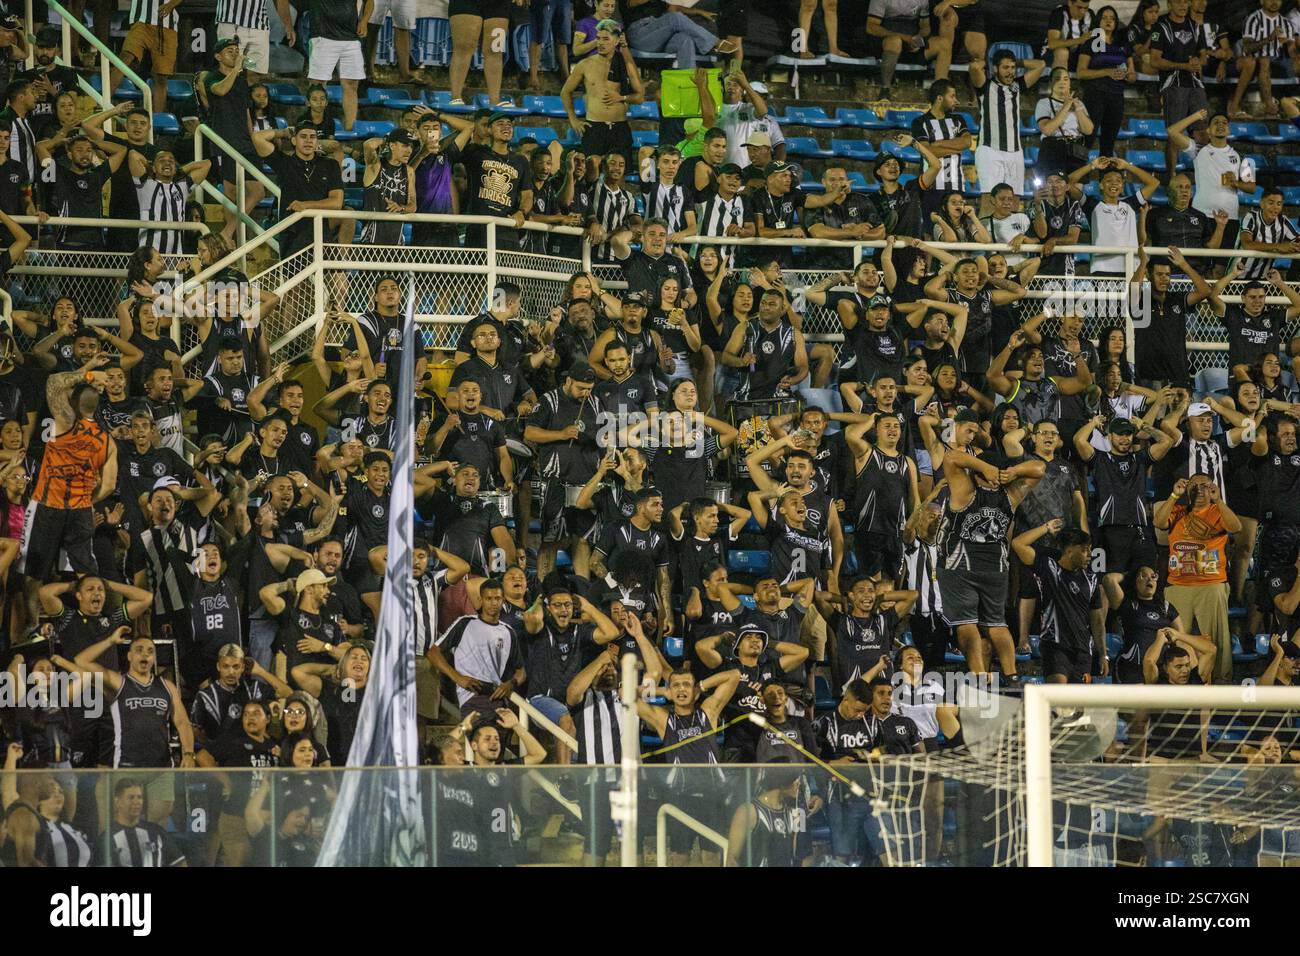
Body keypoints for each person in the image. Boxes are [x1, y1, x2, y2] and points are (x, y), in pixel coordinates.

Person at [636, 665, 739, 866]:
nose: (682, 690)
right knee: (679, 857)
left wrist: (701, 685)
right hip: (680, 798)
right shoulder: (664, 719)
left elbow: (734, 676)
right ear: (670, 691)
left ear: (695, 691)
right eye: (676, 686)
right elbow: (625, 695)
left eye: (686, 685)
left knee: (711, 857)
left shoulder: (708, 712)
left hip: (712, 796)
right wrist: (661, 691)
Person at [1155, 474, 1241, 681]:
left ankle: (1219, 682)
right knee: (1176, 640)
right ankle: (1177, 683)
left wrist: (1218, 500)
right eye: (1194, 486)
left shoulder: (1217, 511)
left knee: (1215, 638)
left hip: (1211, 585)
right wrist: (1175, 495)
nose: (1200, 490)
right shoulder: (1177, 511)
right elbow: (1158, 522)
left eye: (1205, 486)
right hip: (1177, 585)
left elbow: (1236, 527)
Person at [1012, 521, 1104, 683]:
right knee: (1058, 694)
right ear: (1069, 551)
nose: (1090, 554)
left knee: (1077, 706)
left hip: (1083, 651)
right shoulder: (1048, 567)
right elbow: (1018, 543)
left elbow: (1097, 620)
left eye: (1089, 549)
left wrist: (1103, 654)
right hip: (1055, 646)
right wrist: (1046, 528)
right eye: (1084, 550)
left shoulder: (1092, 579)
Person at [561, 19, 643, 169]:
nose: (600, 43)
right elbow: (565, 92)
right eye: (598, 38)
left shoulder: (625, 64)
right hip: (594, 128)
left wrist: (622, 97)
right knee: (591, 171)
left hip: (619, 129)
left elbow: (640, 97)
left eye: (606, 39)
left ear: (617, 40)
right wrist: (573, 119)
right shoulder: (585, 64)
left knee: (621, 173)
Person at [970, 49, 1047, 199]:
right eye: (1005, 68)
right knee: (990, 200)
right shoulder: (985, 85)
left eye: (1013, 68)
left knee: (1014, 201)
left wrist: (1016, 62)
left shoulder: (1016, 86)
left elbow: (1041, 65)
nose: (1010, 72)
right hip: (990, 149)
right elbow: (974, 68)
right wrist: (985, 60)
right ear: (995, 68)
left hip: (1015, 152)